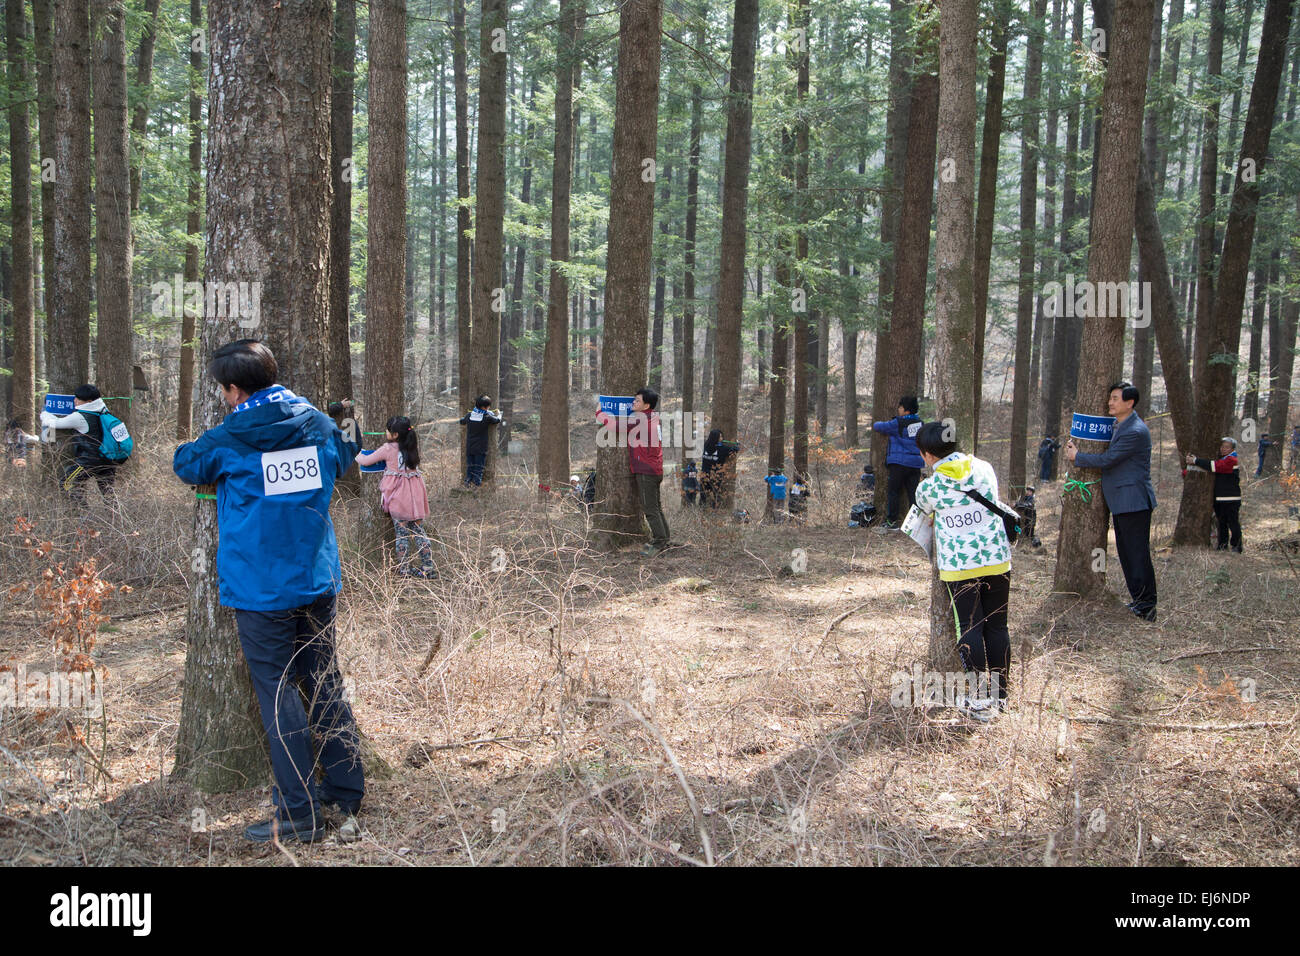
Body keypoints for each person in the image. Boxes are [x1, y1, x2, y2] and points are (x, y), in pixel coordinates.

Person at [172, 340, 364, 843]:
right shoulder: (317, 422)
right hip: (316, 580)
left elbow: (187, 464)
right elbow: (347, 452)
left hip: (262, 590)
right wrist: (347, 418)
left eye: (223, 390)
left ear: (234, 390)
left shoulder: (228, 436)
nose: (224, 398)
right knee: (323, 678)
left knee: (280, 696)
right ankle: (346, 789)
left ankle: (300, 813)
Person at [912, 420, 1012, 718]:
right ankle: (1001, 696)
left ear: (928, 455)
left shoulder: (929, 487)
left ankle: (980, 699)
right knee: (997, 626)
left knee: (969, 628)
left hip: (961, 566)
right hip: (996, 559)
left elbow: (923, 512)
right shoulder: (984, 468)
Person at [1064, 381, 1158, 622]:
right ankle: (1138, 600)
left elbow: (1110, 459)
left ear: (1130, 402)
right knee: (1127, 553)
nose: (1110, 402)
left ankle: (1147, 605)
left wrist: (1078, 457)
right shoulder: (1121, 426)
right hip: (1123, 502)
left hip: (1134, 501)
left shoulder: (1135, 431)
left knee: (1136, 553)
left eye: (1115, 398)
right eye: (1111, 398)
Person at [356, 416, 438, 578]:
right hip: (416, 494)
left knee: (402, 534)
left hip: (399, 496)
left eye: (388, 430)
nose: (385, 432)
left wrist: (354, 451)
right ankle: (428, 567)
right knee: (419, 531)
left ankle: (404, 569)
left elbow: (365, 461)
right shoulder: (412, 445)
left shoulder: (388, 448)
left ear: (394, 435)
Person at [596, 386, 670, 555]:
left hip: (646, 471)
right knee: (656, 507)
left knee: (650, 509)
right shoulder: (652, 418)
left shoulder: (640, 419)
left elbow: (614, 425)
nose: (633, 403)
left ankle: (659, 543)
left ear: (646, 405)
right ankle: (664, 538)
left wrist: (599, 413)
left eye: (637, 401)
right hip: (655, 469)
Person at [40, 384, 130, 500]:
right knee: (108, 493)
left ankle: (81, 512)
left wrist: (44, 413)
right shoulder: (104, 412)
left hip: (88, 462)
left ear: (88, 401)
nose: (75, 401)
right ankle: (114, 516)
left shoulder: (79, 417)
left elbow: (55, 423)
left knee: (65, 483)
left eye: (78, 399)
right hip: (108, 460)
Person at [871, 395, 924, 527]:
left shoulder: (897, 423)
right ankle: (915, 523)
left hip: (899, 464)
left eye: (900, 407)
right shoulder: (921, 424)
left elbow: (879, 426)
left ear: (906, 410)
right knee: (913, 493)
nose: (898, 410)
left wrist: (875, 422)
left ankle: (891, 521)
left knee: (893, 492)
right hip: (915, 464)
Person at [1186, 437, 1242, 553]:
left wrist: (1196, 461)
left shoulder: (1232, 459)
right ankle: (1222, 545)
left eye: (1226, 447)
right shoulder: (1223, 458)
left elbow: (1216, 466)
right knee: (1221, 523)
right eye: (1222, 447)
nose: (1223, 449)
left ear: (1232, 449)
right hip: (1220, 498)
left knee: (1233, 522)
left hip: (1231, 498)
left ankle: (1237, 546)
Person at [458, 395, 504, 486]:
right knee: (479, 468)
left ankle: (467, 482)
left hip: (470, 446)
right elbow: (497, 420)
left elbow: (461, 421)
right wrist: (499, 414)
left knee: (470, 467)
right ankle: (476, 486)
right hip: (480, 448)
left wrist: (465, 417)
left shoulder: (469, 415)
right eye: (488, 406)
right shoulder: (487, 417)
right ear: (484, 407)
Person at [700, 428, 738, 509]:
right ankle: (714, 511)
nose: (722, 439)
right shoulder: (722, 449)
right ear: (715, 438)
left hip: (704, 475)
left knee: (703, 495)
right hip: (715, 476)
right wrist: (736, 447)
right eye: (720, 437)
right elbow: (733, 451)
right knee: (716, 495)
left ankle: (703, 509)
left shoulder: (706, 445)